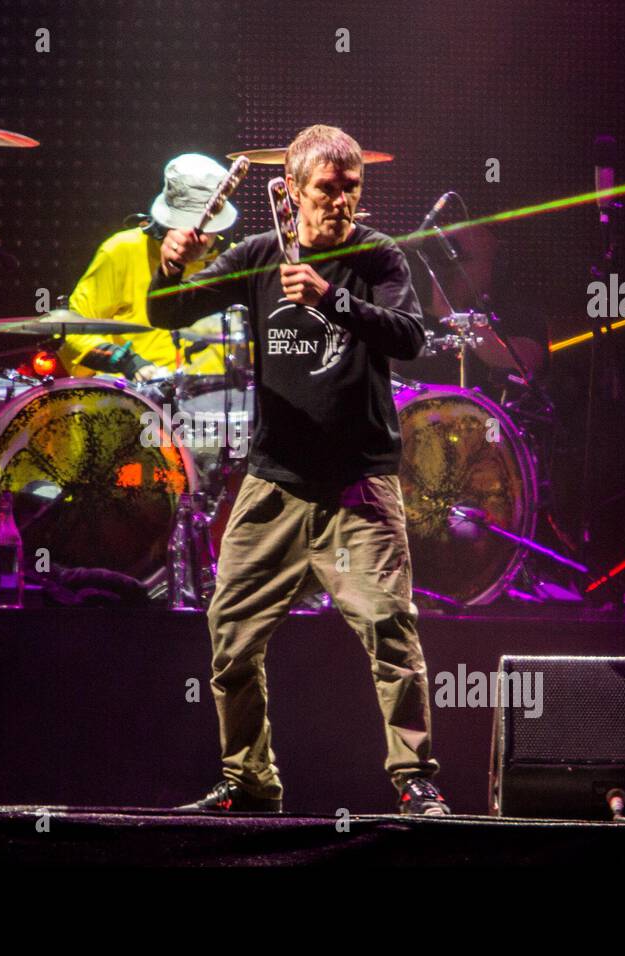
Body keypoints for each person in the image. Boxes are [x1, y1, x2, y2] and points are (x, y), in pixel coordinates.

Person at [148, 125, 449, 816]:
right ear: (291, 189)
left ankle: (414, 779)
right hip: (276, 481)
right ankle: (247, 779)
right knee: (231, 632)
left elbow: (411, 337)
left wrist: (331, 298)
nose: (340, 201)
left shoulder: (377, 258)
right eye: (326, 189)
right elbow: (166, 310)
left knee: (389, 628)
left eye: (351, 189)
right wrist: (173, 264)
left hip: (358, 484)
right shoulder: (257, 255)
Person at [58, 153, 236, 381]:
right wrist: (126, 360)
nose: (196, 236)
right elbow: (72, 328)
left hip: (215, 404)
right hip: (138, 402)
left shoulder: (232, 259)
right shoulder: (122, 250)